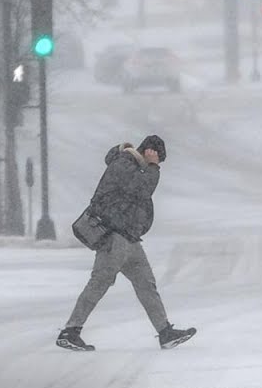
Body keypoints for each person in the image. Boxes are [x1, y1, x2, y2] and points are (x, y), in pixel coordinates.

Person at [57, 135, 196, 351]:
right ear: (150, 152)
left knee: (146, 284)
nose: (158, 165)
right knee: (100, 282)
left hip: (129, 238)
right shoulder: (124, 163)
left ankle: (165, 332)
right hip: (114, 237)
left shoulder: (133, 167)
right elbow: (142, 190)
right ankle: (70, 331)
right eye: (158, 159)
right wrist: (152, 166)